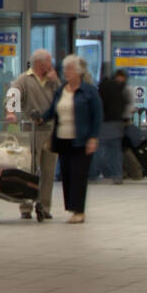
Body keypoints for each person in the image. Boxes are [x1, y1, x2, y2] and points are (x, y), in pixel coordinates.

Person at [41, 54, 102, 223]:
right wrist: (41, 118)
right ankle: (72, 208)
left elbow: (97, 116)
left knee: (78, 175)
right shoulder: (62, 90)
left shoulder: (89, 91)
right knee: (67, 175)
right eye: (65, 69)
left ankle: (79, 211)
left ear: (78, 72)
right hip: (62, 139)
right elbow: (53, 109)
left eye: (69, 69)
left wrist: (93, 138)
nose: (65, 72)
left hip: (82, 141)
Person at [5, 49, 59, 219]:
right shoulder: (24, 79)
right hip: (31, 131)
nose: (51, 64)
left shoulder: (52, 81)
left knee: (49, 171)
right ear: (40, 63)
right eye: (48, 61)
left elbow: (62, 97)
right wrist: (11, 112)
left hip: (50, 131)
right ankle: (26, 206)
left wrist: (56, 81)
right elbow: (12, 96)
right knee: (30, 169)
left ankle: (45, 206)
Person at [95, 69, 129, 183]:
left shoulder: (103, 87)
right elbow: (125, 103)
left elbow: (100, 104)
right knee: (115, 151)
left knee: (99, 150)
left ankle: (98, 173)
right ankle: (117, 175)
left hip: (105, 122)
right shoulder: (121, 89)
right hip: (117, 122)